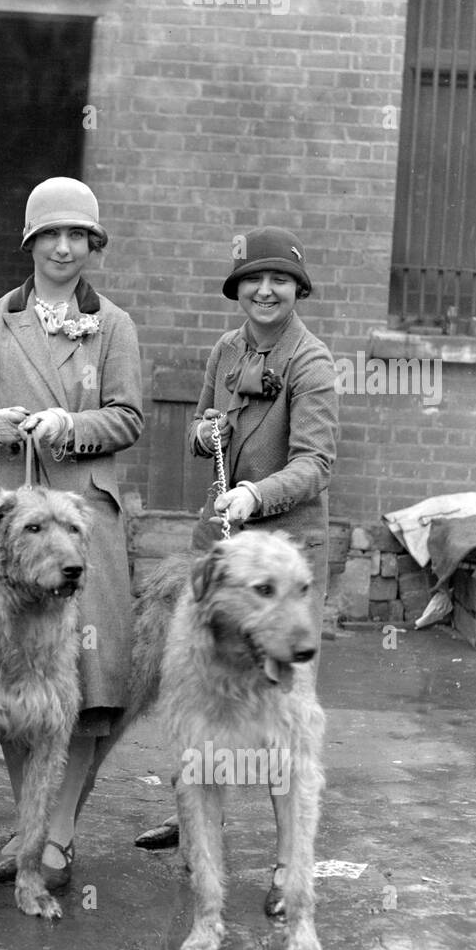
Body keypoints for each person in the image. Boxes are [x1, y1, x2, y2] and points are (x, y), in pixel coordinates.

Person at [0, 176, 144, 888]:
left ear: (93, 245)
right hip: (12, 520)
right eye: (51, 235)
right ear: (30, 242)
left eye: (79, 236)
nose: (64, 248)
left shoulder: (115, 326)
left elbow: (129, 417)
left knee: (88, 685)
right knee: (10, 681)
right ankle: (29, 828)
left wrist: (69, 426)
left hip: (83, 518)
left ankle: (54, 834)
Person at [135, 225, 338, 850]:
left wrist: (255, 493)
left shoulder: (312, 362)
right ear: (238, 288)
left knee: (282, 707)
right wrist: (205, 435)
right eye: (254, 279)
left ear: (297, 289)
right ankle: (194, 809)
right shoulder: (225, 350)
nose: (266, 291)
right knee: (199, 682)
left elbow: (315, 463)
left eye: (280, 280)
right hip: (221, 546)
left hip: (286, 549)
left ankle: (286, 856)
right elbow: (201, 421)